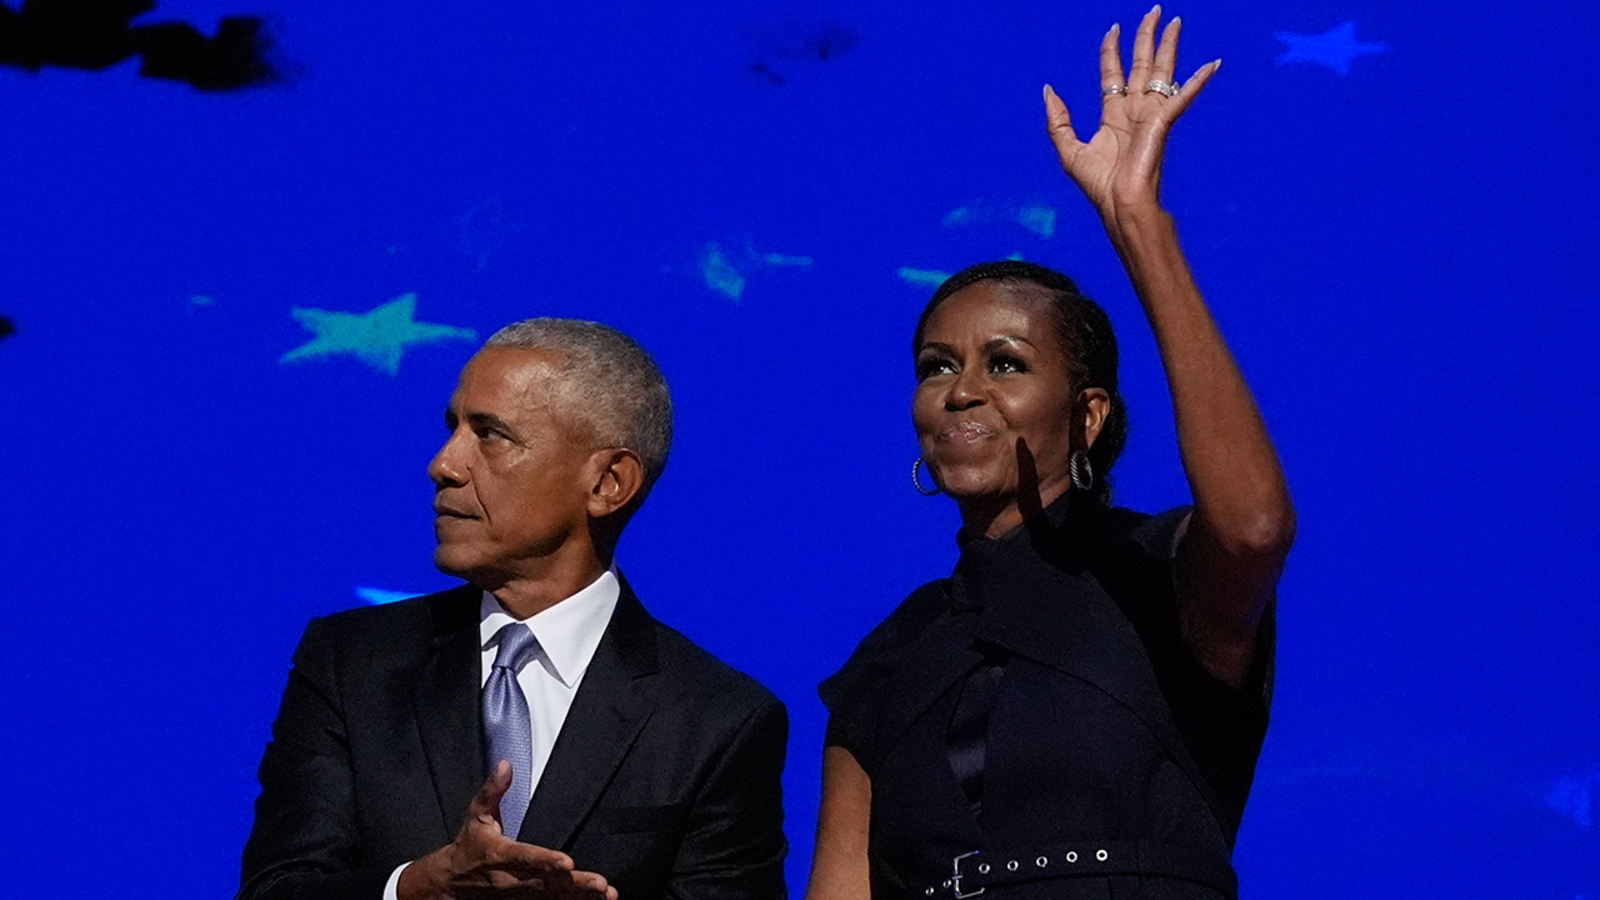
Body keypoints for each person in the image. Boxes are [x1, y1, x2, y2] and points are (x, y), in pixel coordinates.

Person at [805, 10, 1294, 900]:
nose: (961, 391)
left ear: (1090, 414)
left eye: (1006, 365)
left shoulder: (1160, 578)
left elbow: (1257, 527)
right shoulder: (890, 656)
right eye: (936, 367)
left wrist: (1137, 222)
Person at [239, 319, 788, 900]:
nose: (444, 464)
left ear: (608, 482)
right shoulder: (351, 665)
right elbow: (274, 891)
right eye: (453, 427)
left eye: (491, 434)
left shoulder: (718, 722)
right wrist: (421, 888)